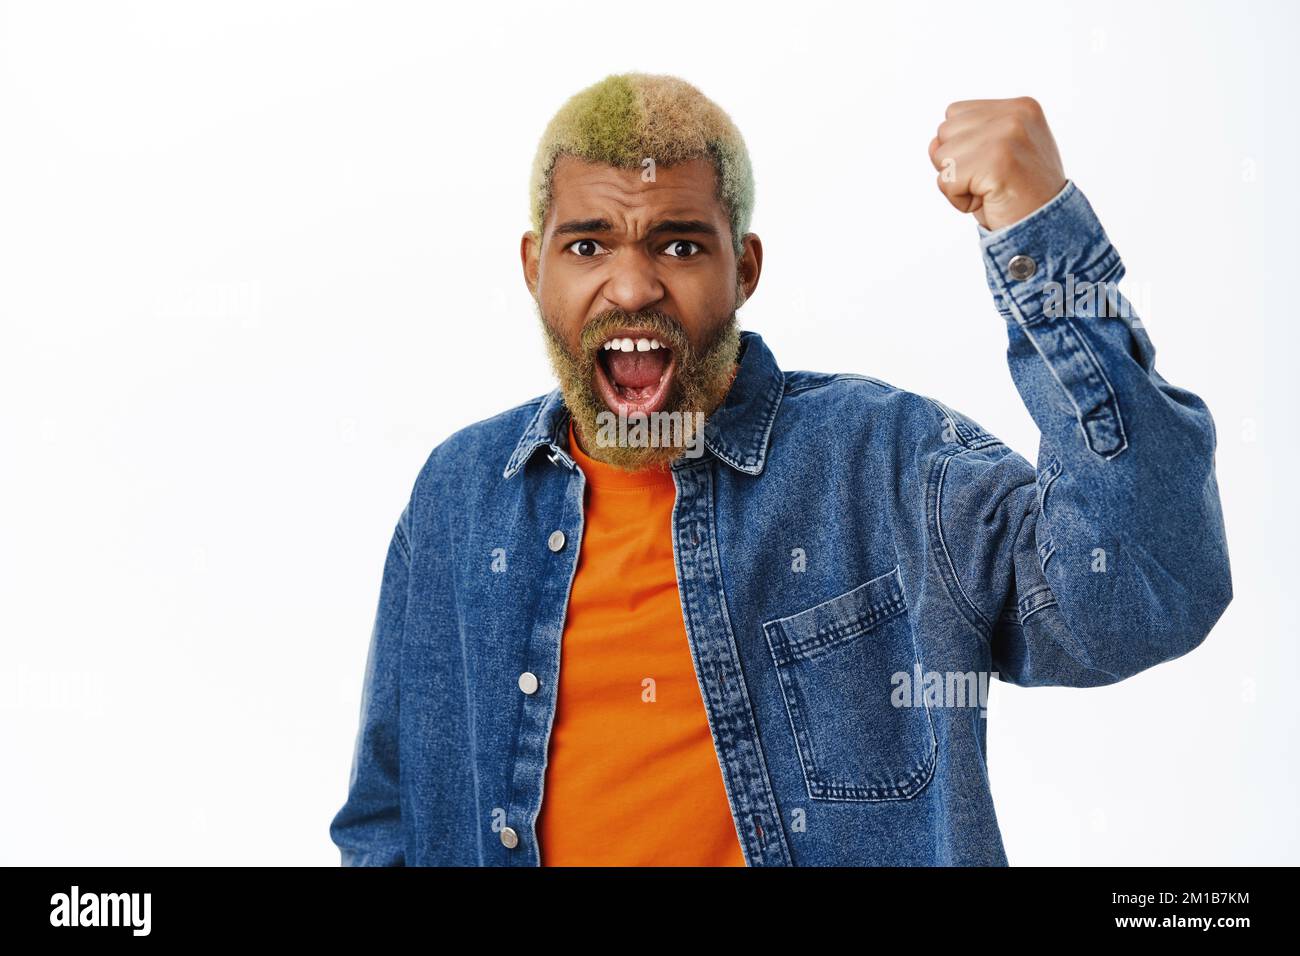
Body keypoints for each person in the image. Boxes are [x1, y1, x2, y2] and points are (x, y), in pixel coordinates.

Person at [328, 72, 1231, 866]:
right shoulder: (458, 499)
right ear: (535, 268)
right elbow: (387, 818)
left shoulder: (885, 463)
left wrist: (1039, 238)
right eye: (589, 245)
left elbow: (1145, 595)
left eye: (679, 245)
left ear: (744, 267)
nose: (635, 286)